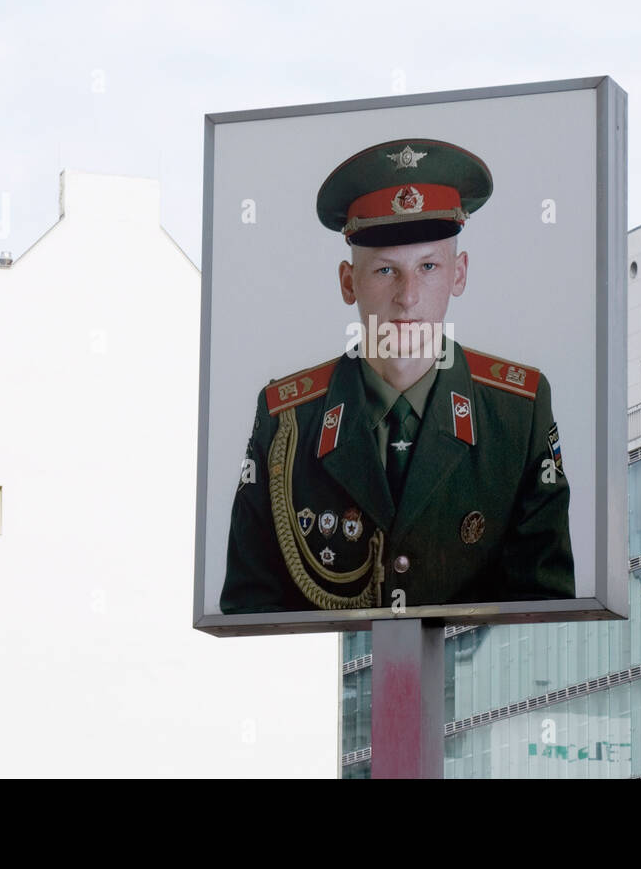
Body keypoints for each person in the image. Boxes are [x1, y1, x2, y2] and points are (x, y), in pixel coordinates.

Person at [220, 138, 574, 614]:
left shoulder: (518, 411)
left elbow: (545, 615)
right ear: (348, 282)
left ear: (459, 273)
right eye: (386, 270)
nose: (408, 297)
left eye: (428, 266)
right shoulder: (288, 419)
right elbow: (250, 615)